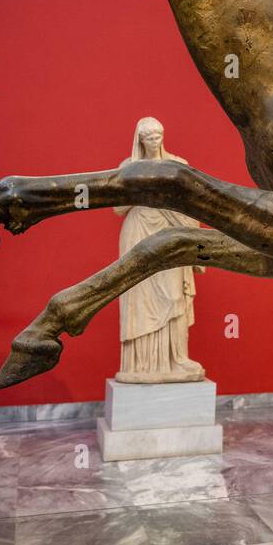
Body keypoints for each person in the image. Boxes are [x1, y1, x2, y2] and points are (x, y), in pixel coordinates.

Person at [114, 117, 205, 383]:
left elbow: (194, 202)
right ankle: (140, 365)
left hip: (170, 233)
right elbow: (117, 208)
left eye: (158, 135)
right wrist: (142, 189)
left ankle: (177, 359)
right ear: (140, 139)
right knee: (139, 298)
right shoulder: (128, 167)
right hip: (139, 232)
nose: (155, 141)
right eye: (149, 137)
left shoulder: (178, 165)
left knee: (175, 296)